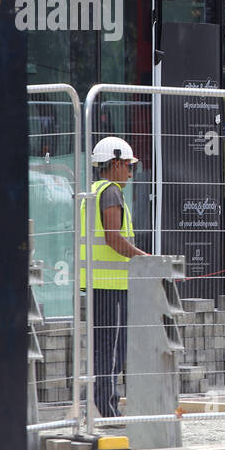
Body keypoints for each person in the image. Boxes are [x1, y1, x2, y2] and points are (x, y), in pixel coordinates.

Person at [80, 137, 148, 419]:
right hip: (110, 286)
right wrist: (147, 259)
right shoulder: (110, 193)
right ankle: (107, 410)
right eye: (128, 167)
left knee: (105, 348)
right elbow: (113, 239)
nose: (130, 174)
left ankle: (101, 405)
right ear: (116, 164)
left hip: (100, 285)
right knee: (112, 350)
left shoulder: (95, 190)